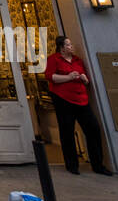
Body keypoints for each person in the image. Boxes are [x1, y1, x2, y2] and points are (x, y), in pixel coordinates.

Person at [44, 35, 113, 176]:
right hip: (63, 99)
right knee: (67, 131)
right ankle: (72, 165)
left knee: (93, 129)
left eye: (71, 44)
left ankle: (98, 164)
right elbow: (50, 77)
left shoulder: (77, 60)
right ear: (61, 48)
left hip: (82, 100)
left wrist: (84, 79)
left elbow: (86, 79)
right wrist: (69, 77)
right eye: (68, 45)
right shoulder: (54, 59)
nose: (72, 47)